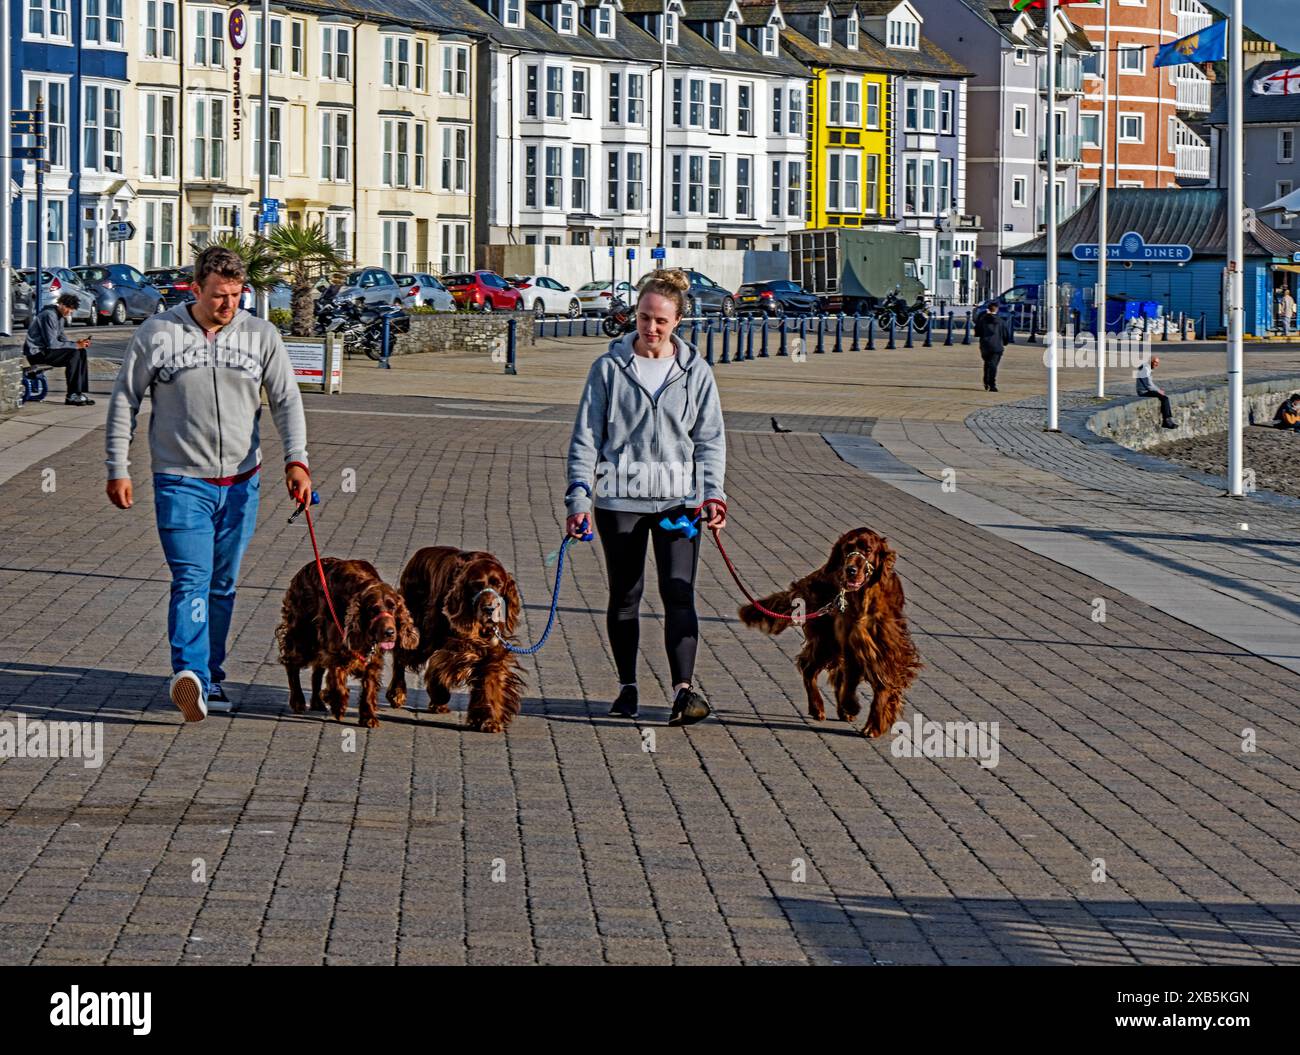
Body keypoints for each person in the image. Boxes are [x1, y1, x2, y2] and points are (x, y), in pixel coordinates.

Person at [104, 246, 312, 722]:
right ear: (195, 289)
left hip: (242, 483)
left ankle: (212, 675)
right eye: (219, 296)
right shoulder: (157, 334)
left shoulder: (261, 335)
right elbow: (123, 401)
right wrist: (118, 466)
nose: (229, 305)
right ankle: (191, 675)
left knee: (222, 584)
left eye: (237, 295)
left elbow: (286, 401)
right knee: (192, 580)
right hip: (180, 481)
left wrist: (296, 461)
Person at [565, 269, 727, 727]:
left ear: (678, 320)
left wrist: (713, 494)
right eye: (643, 318)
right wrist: (578, 501)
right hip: (620, 500)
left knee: (679, 593)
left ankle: (683, 691)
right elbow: (585, 439)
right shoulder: (608, 370)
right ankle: (627, 686)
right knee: (625, 594)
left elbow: (710, 440)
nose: (650, 328)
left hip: (680, 504)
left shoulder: (695, 373)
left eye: (660, 320)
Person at [24, 292, 94, 406]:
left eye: (71, 310)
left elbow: (62, 340)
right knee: (73, 354)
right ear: (61, 304)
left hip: (46, 350)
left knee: (81, 352)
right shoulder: (49, 315)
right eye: (68, 308)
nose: (69, 312)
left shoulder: (60, 317)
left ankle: (78, 392)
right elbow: (52, 343)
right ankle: (71, 395)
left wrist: (77, 344)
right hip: (36, 353)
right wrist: (75, 346)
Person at [974, 302, 1011, 392]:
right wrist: (1005, 342)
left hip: (985, 345)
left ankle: (986, 381)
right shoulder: (1001, 321)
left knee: (987, 363)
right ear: (997, 309)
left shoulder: (982, 320)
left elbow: (977, 332)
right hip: (997, 345)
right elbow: (1006, 334)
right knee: (993, 365)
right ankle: (992, 384)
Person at [1136, 354, 1177, 429]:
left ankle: (1167, 420)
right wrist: (1159, 391)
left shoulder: (1147, 368)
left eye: (1158, 363)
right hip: (1144, 392)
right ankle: (1166, 421)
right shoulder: (1145, 369)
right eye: (1155, 362)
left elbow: (1150, 384)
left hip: (1145, 390)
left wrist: (1158, 390)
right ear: (1151, 361)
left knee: (1163, 397)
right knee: (1165, 399)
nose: (1157, 364)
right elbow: (1149, 385)